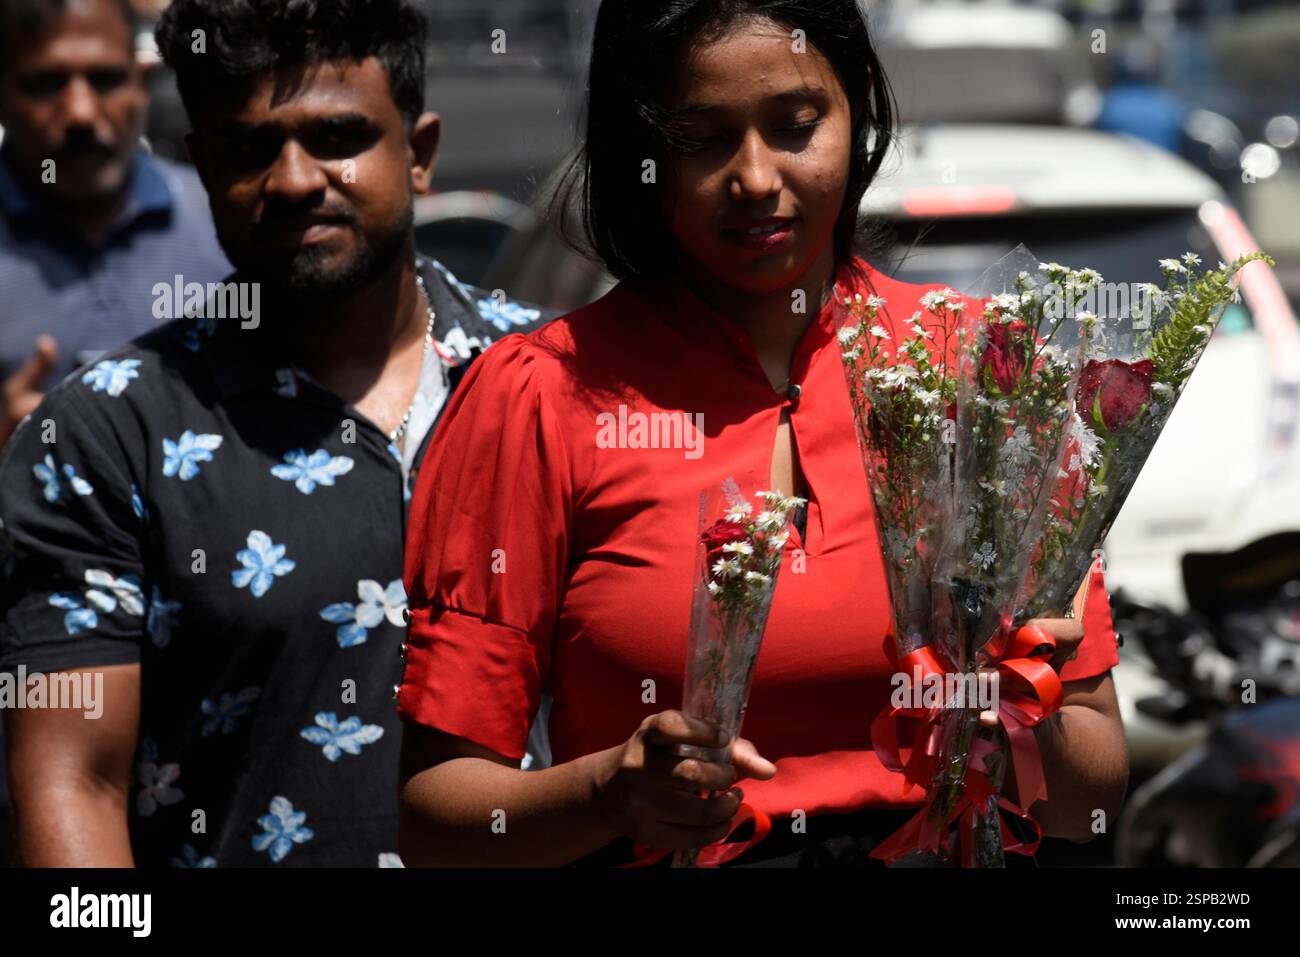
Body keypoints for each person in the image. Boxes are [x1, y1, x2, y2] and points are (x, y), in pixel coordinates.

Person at [396, 0, 1129, 867]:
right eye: (701, 137)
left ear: (856, 107)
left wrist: (1002, 715)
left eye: (795, 125)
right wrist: (612, 793)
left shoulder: (982, 373)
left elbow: (1090, 799)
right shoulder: (540, 397)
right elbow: (437, 815)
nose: (753, 177)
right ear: (645, 151)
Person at [0, 0, 551, 867]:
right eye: (251, 148)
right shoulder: (103, 434)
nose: (295, 178)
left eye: (337, 137)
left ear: (420, 154)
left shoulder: (558, 380)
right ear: (205, 168)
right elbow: (75, 786)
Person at [0, 0, 229, 449]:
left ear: (142, 84)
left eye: (105, 80)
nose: (81, 114)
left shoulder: (226, 221)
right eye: (46, 85)